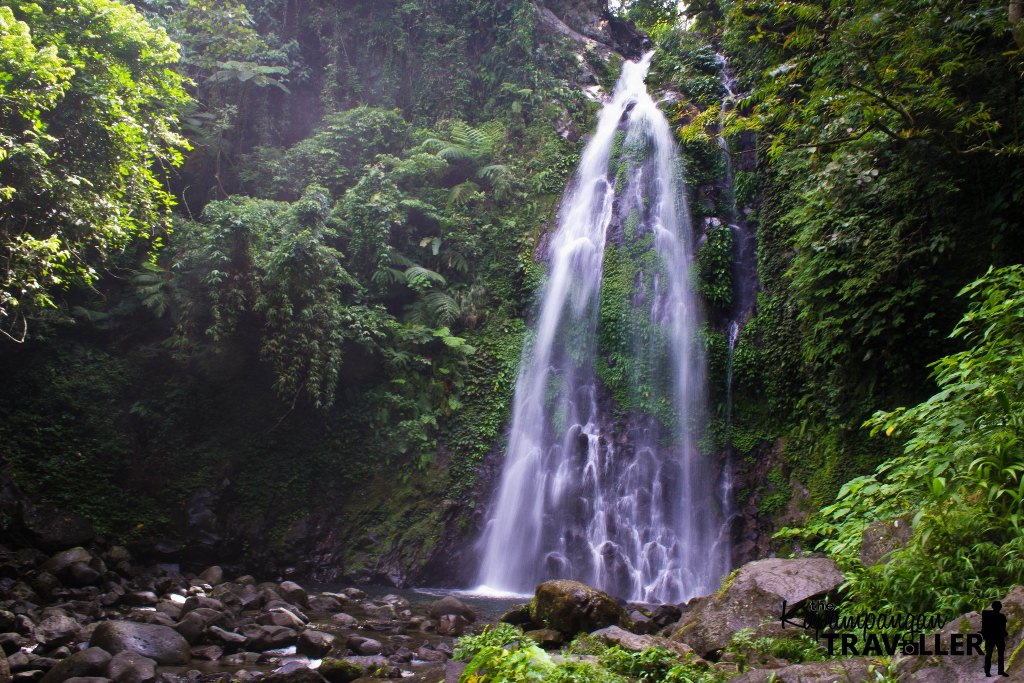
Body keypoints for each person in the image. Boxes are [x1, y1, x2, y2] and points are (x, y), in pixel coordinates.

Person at [981, 600, 1009, 677]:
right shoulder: (1002, 617)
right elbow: (1003, 629)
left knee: (989, 654)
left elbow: (984, 614)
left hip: (990, 637)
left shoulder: (987, 614)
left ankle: (987, 672)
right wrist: (1005, 634)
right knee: (1000, 655)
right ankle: (1000, 671)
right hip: (998, 637)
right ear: (1000, 607)